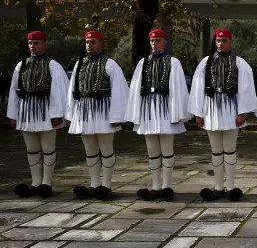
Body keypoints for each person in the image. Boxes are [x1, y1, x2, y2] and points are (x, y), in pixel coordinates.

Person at [189, 28, 257, 201]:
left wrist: (242, 112)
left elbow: (245, 88)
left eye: (224, 40)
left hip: (231, 107)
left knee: (230, 149)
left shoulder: (239, 63)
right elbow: (198, 88)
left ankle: (231, 187)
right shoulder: (206, 62)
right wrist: (199, 112)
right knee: (216, 150)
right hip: (211, 107)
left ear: (230, 42)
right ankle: (219, 187)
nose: (221, 44)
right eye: (218, 41)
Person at [125, 29, 191, 201]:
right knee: (152, 150)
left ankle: (167, 185)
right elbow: (135, 89)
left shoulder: (173, 62)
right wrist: (136, 112)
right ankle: (156, 185)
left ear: (165, 42)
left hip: (166, 110)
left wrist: (178, 112)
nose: (154, 43)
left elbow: (178, 88)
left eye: (158, 40)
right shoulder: (143, 63)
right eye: (152, 41)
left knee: (167, 149)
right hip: (148, 111)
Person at [66, 30, 130, 200]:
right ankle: (94, 184)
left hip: (104, 111)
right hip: (84, 111)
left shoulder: (110, 64)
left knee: (106, 149)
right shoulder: (79, 64)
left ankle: (106, 185)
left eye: (93, 42)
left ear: (101, 44)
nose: (89, 45)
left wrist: (117, 116)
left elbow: (119, 91)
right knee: (90, 150)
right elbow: (73, 91)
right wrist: (70, 114)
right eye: (87, 42)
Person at [8, 31, 70, 198]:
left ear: (44, 44)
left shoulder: (53, 65)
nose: (32, 46)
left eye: (36, 43)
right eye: (30, 43)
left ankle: (46, 183)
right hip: (26, 112)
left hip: (47, 112)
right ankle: (35, 182)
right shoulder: (21, 65)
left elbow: (59, 91)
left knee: (48, 148)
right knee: (32, 149)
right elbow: (14, 90)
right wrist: (13, 115)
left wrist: (58, 114)